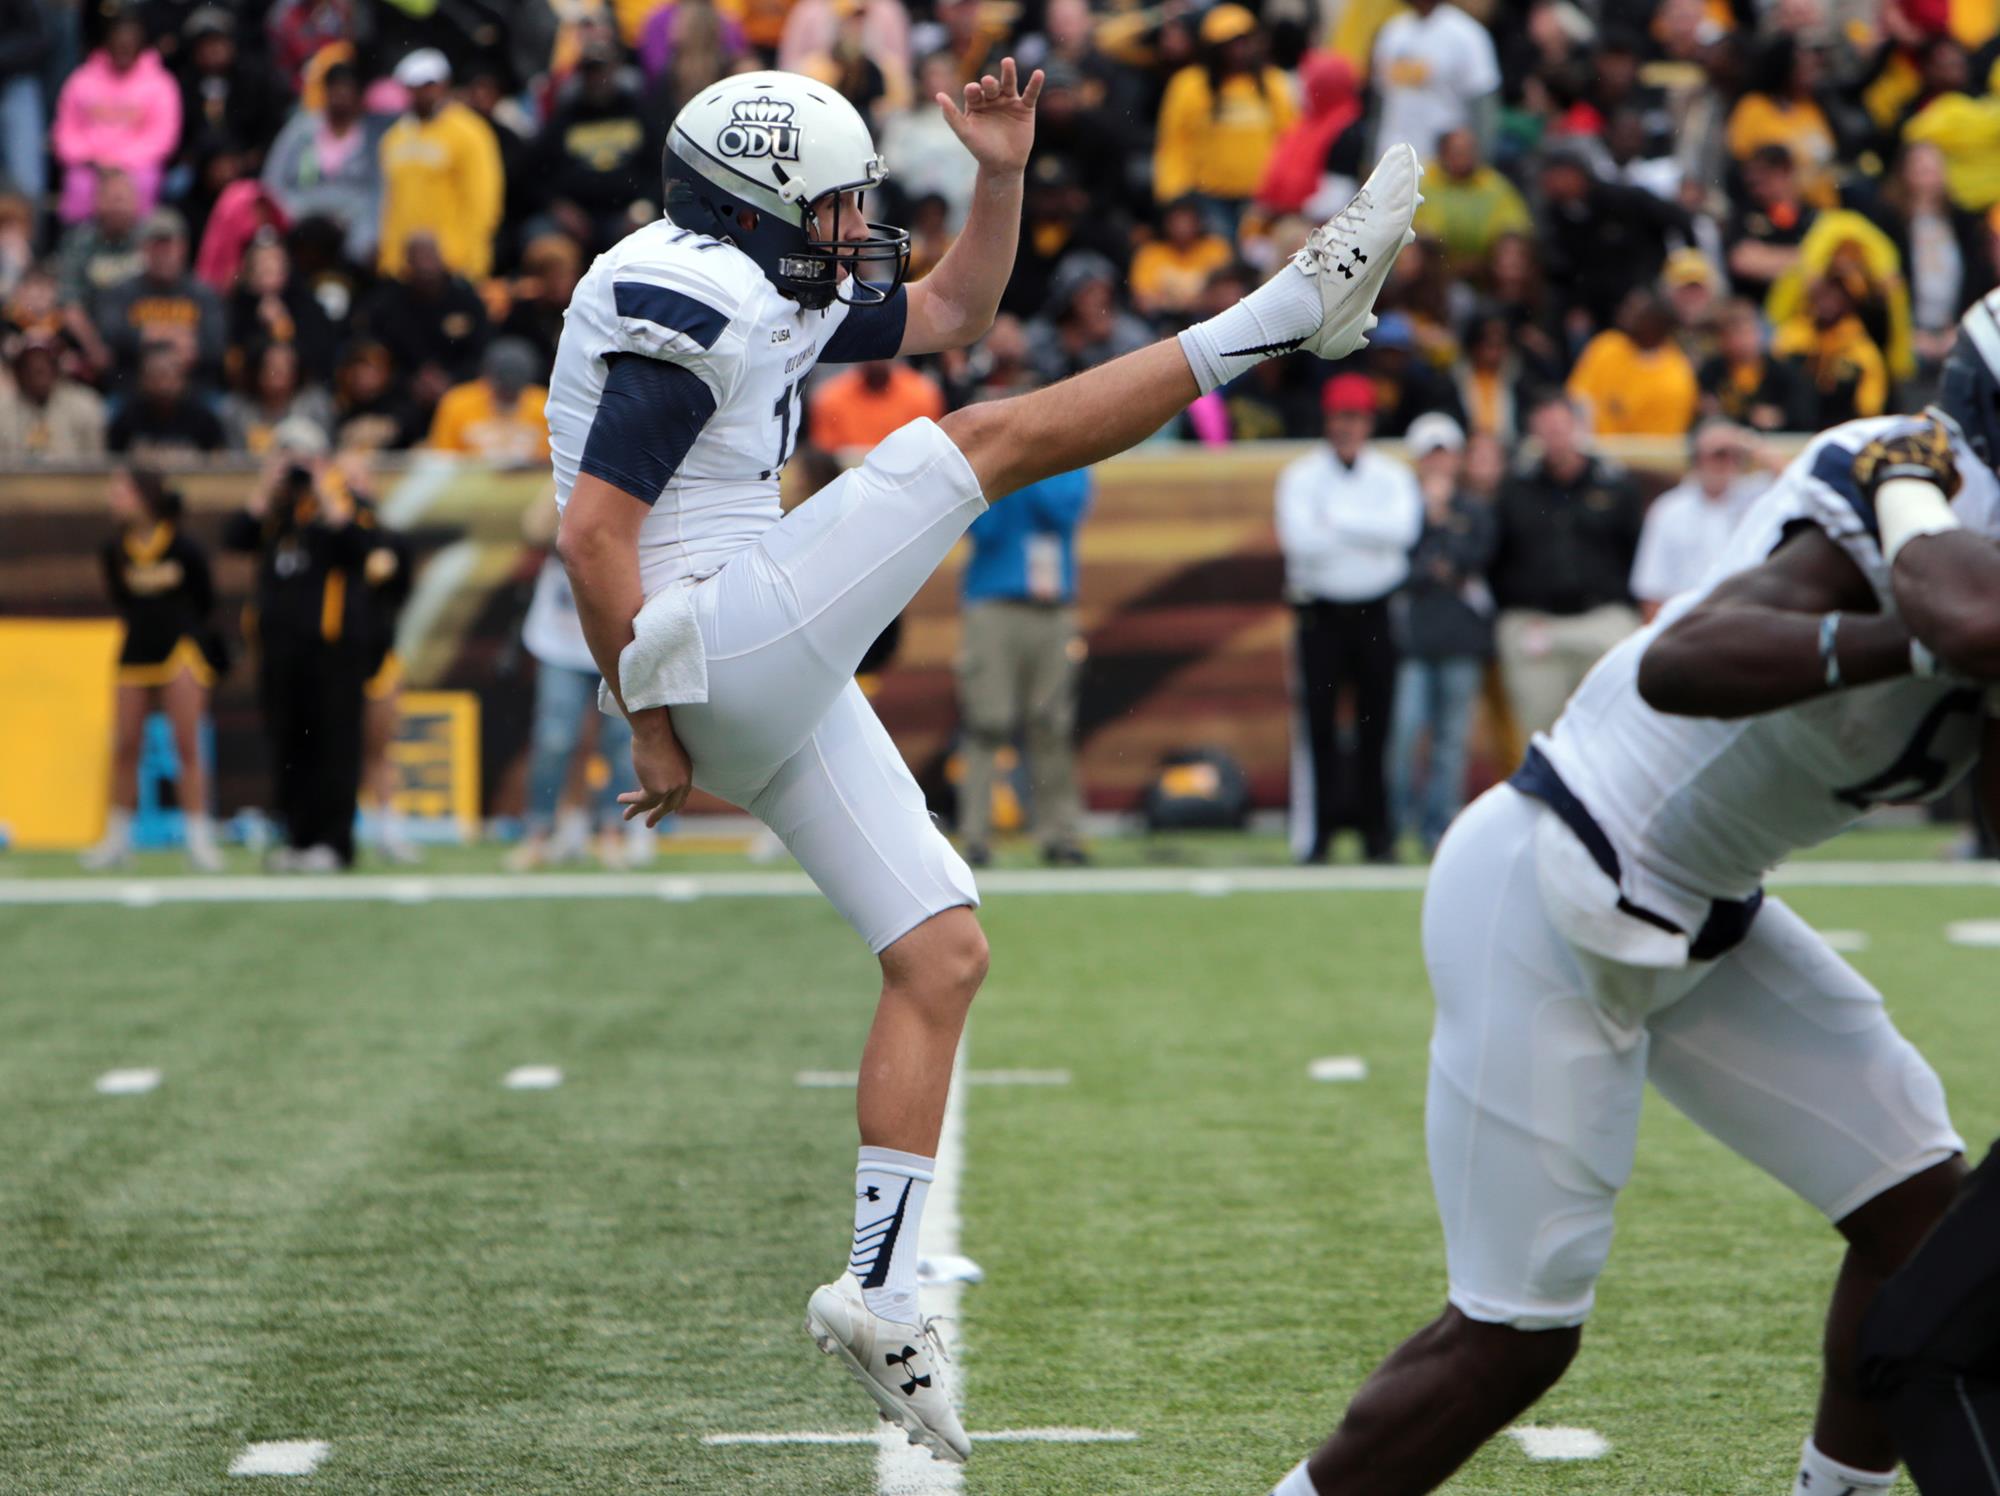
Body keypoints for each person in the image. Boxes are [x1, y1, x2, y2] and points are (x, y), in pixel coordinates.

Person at [547, 64, 1421, 1462]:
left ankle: (879, 1295)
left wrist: (1001, 175)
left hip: (742, 644)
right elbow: (593, 536)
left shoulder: (752, 280)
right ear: (751, 200)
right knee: (973, 444)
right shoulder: (681, 285)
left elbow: (953, 311)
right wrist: (646, 710)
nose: (851, 227)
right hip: (703, 639)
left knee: (941, 950)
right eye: (831, 203)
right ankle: (1289, 317)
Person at [1260, 286, 2000, 1496]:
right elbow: (1680, 661)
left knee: (1917, 1214)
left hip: (1705, 906)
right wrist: (1912, 640)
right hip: (1557, 880)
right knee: (1512, 1340)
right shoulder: (1890, 476)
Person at [1276, 372, 1423, 864]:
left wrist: (1336, 521)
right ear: (1327, 418)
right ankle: (1316, 837)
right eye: (1340, 416)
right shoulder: (1300, 475)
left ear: (1369, 422)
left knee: (1376, 728)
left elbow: (1401, 533)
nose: (1347, 426)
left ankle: (1376, 836)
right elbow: (1301, 542)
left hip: (1376, 610)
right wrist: (1366, 532)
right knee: (1317, 728)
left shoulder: (1391, 476)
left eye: (1356, 417)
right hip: (1318, 611)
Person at [224, 423, 375, 870]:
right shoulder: (276, 512)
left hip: (331, 651)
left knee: (333, 746)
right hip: (279, 651)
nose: (295, 469)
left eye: (303, 457)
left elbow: (361, 547)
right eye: (287, 457)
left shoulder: (341, 504)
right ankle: (297, 838)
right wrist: (266, 490)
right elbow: (235, 537)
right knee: (288, 746)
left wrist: (324, 488)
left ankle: (333, 843)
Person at [81, 467, 227, 872]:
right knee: (125, 745)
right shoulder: (115, 549)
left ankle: (198, 840)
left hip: (180, 650)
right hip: (135, 650)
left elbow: (205, 599)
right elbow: (121, 599)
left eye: (121, 492)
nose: (114, 499)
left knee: (187, 745)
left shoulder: (184, 547)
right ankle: (116, 840)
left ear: (145, 496)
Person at [955, 467, 1093, 868]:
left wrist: (1025, 467)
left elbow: (1063, 511)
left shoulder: (1071, 456)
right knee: (986, 721)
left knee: (1051, 722)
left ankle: (1061, 835)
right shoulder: (996, 454)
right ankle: (975, 836)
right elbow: (983, 527)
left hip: (1052, 606)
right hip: (992, 602)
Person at [1489, 392, 1645, 739]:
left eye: (1561, 427)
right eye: (1545, 429)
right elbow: (1495, 560)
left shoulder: (1615, 485)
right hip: (1536, 624)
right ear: (1534, 434)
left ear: (1578, 428)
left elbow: (1635, 554)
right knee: (1541, 738)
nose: (1554, 437)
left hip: (1601, 619)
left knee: (1612, 733)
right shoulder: (1514, 489)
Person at [1387, 412, 1493, 855]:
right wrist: (1432, 521)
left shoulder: (1475, 508)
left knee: (1451, 741)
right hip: (1411, 638)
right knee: (1404, 736)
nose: (1437, 463)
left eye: (1444, 453)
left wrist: (1440, 523)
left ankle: (1438, 830)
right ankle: (1394, 827)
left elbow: (1472, 557)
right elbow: (1402, 567)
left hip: (1460, 637)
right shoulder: (1396, 504)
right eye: (1430, 454)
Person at [376, 50, 503, 281]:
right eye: (416, 86)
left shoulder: (470, 132)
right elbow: (389, 202)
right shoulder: (394, 137)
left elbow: (483, 202)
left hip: (453, 265)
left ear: (445, 84)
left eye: (430, 84)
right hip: (404, 269)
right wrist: (390, 259)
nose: (425, 92)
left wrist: (464, 259)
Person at [1630, 420, 1772, 621]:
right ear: (1697, 459)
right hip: (1687, 624)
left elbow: (1801, 488)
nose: (1729, 462)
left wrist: (1755, 446)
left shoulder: (1758, 499)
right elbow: (1651, 592)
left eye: (1737, 455)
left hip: (1747, 619)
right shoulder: (1669, 510)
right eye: (1720, 454)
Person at [50, 12, 179, 223]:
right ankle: (77, 248)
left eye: (129, 44)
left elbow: (162, 137)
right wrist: (92, 160)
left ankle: (137, 250)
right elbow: (65, 131)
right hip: (90, 166)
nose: (123, 49)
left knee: (142, 184)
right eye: (118, 44)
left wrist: (120, 163)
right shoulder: (81, 80)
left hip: (137, 168)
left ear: (140, 45)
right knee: (78, 184)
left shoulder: (161, 83)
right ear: (107, 44)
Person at [260, 60, 388, 265]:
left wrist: (370, 238)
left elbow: (380, 190)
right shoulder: (300, 130)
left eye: (347, 89)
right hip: (302, 219)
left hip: (352, 224)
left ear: (358, 95)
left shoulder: (372, 138)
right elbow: (273, 178)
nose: (341, 96)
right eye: (335, 88)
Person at [1369, 0, 1499, 163]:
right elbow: (1379, 104)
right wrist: (1369, 157)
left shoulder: (1467, 33)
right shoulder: (1392, 31)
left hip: (1443, 162)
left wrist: (1481, 160)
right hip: (1391, 156)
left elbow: (1482, 105)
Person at [1566, 287, 1700, 438]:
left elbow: (1657, 444)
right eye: (1627, 306)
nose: (1625, 313)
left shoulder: (1677, 377)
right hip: (1588, 450)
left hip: (1637, 459)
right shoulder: (1606, 345)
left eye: (1635, 311)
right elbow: (1578, 396)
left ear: (1657, 323)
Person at [808, 358, 946, 452]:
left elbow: (929, 447)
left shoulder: (922, 393)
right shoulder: (830, 398)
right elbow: (824, 456)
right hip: (847, 479)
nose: (876, 361)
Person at [0, 336, 106, 459]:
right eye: (29, 364)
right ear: (18, 372)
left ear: (56, 368)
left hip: (70, 477)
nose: (38, 368)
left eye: (45, 362)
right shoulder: (3, 411)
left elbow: (96, 465)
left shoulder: (85, 406)